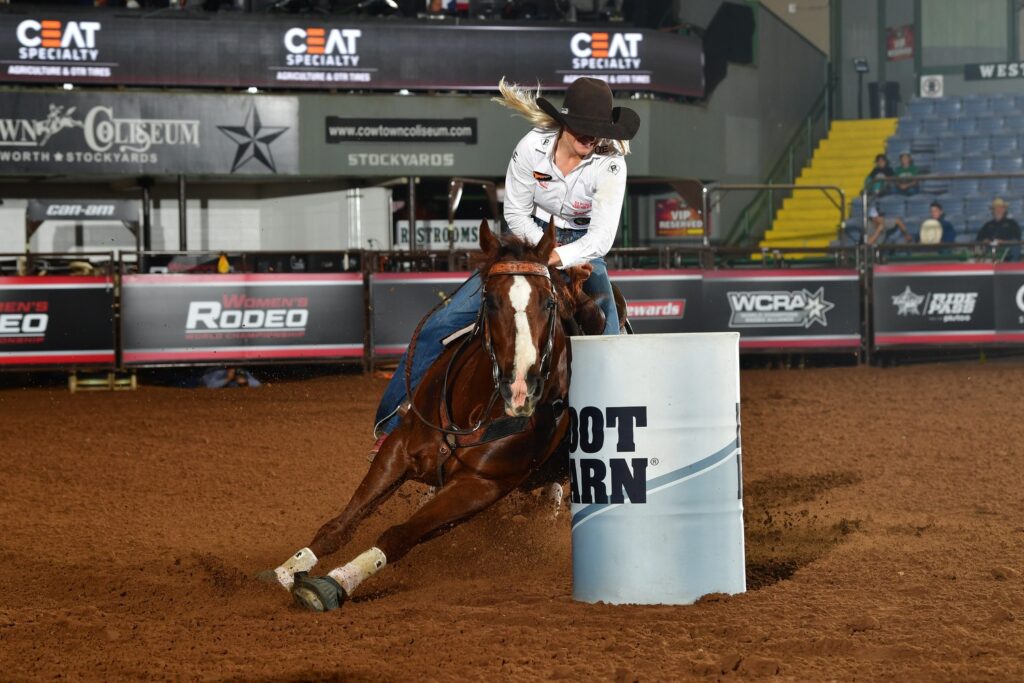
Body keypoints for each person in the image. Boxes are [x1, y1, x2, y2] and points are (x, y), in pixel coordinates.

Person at [368, 76, 640, 457]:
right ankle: (391, 425)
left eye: (599, 132)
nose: (592, 138)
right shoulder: (531, 147)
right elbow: (514, 212)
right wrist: (539, 250)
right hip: (528, 244)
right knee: (439, 326)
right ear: (565, 123)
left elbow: (601, 238)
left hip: (581, 251)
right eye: (585, 129)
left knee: (611, 342)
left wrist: (558, 254)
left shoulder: (610, 165)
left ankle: (608, 440)